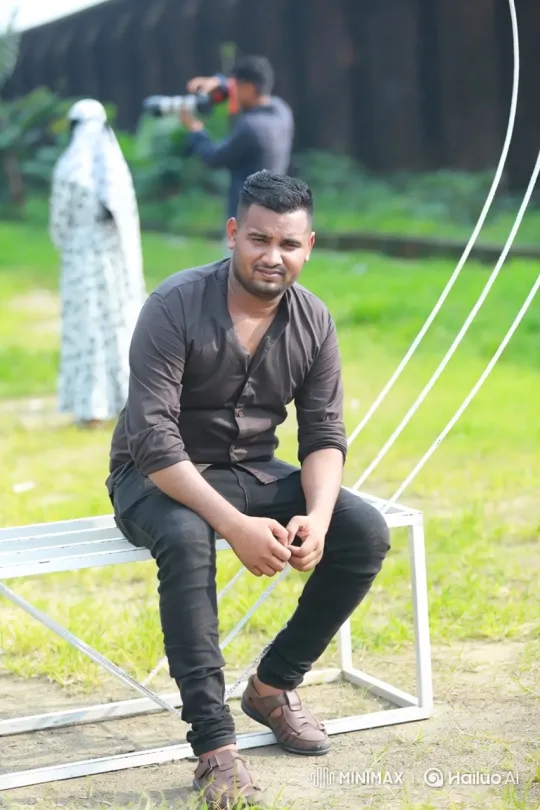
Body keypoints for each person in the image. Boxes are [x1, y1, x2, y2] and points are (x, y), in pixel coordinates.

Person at [105, 170, 390, 808]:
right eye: (258, 239)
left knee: (362, 531)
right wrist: (233, 526)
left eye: (288, 245)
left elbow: (322, 434)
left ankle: (272, 687)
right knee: (185, 536)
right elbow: (153, 443)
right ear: (234, 233)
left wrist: (316, 516)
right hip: (155, 477)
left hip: (254, 470)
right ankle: (214, 746)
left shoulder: (313, 320)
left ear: (308, 245)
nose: (272, 256)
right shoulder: (174, 305)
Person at [49, 98, 147, 428]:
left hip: (80, 261)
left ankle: (91, 409)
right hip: (116, 262)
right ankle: (125, 402)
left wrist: (71, 243)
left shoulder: (69, 169)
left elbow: (58, 222)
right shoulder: (116, 171)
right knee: (118, 326)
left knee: (86, 328)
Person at [182, 55, 294, 225]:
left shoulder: (250, 127)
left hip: (245, 219)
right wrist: (218, 83)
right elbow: (243, 91)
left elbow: (214, 158)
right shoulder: (282, 111)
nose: (234, 92)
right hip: (273, 212)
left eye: (237, 86)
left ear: (249, 87)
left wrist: (195, 129)